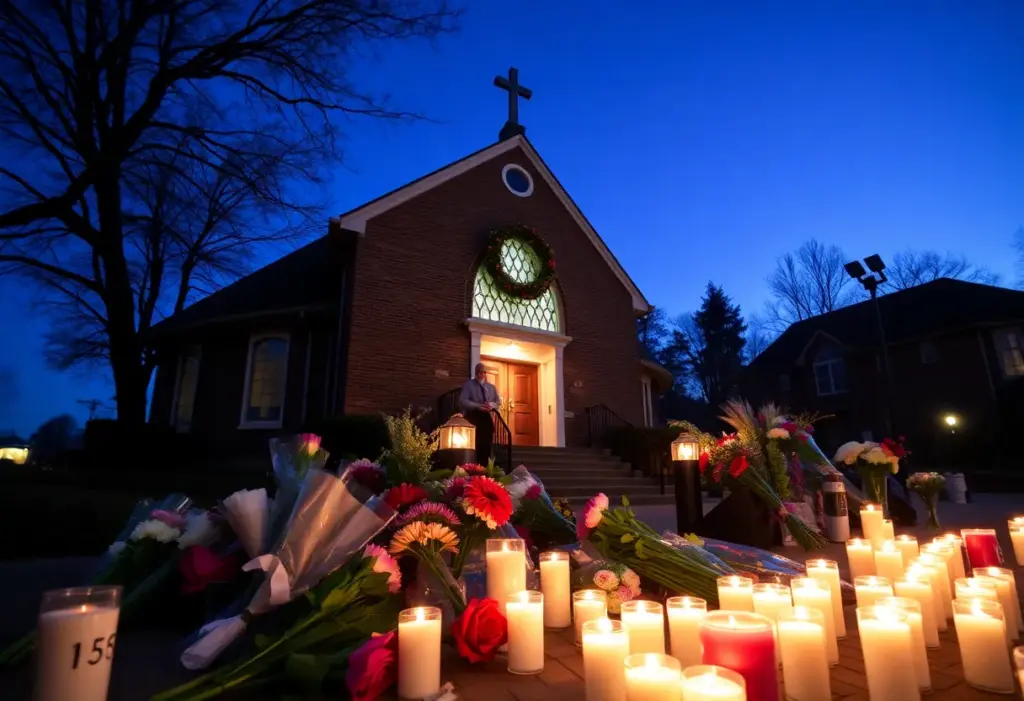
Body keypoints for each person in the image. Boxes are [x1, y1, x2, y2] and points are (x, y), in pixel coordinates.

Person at [459, 363, 500, 465]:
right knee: (475, 443)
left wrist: (491, 405)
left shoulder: (491, 387)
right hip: (473, 417)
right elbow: (463, 400)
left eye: (484, 372)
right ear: (476, 373)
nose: (482, 374)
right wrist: (478, 406)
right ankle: (472, 465)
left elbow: (498, 402)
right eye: (480, 372)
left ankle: (485, 467)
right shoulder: (469, 385)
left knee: (486, 443)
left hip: (486, 418)